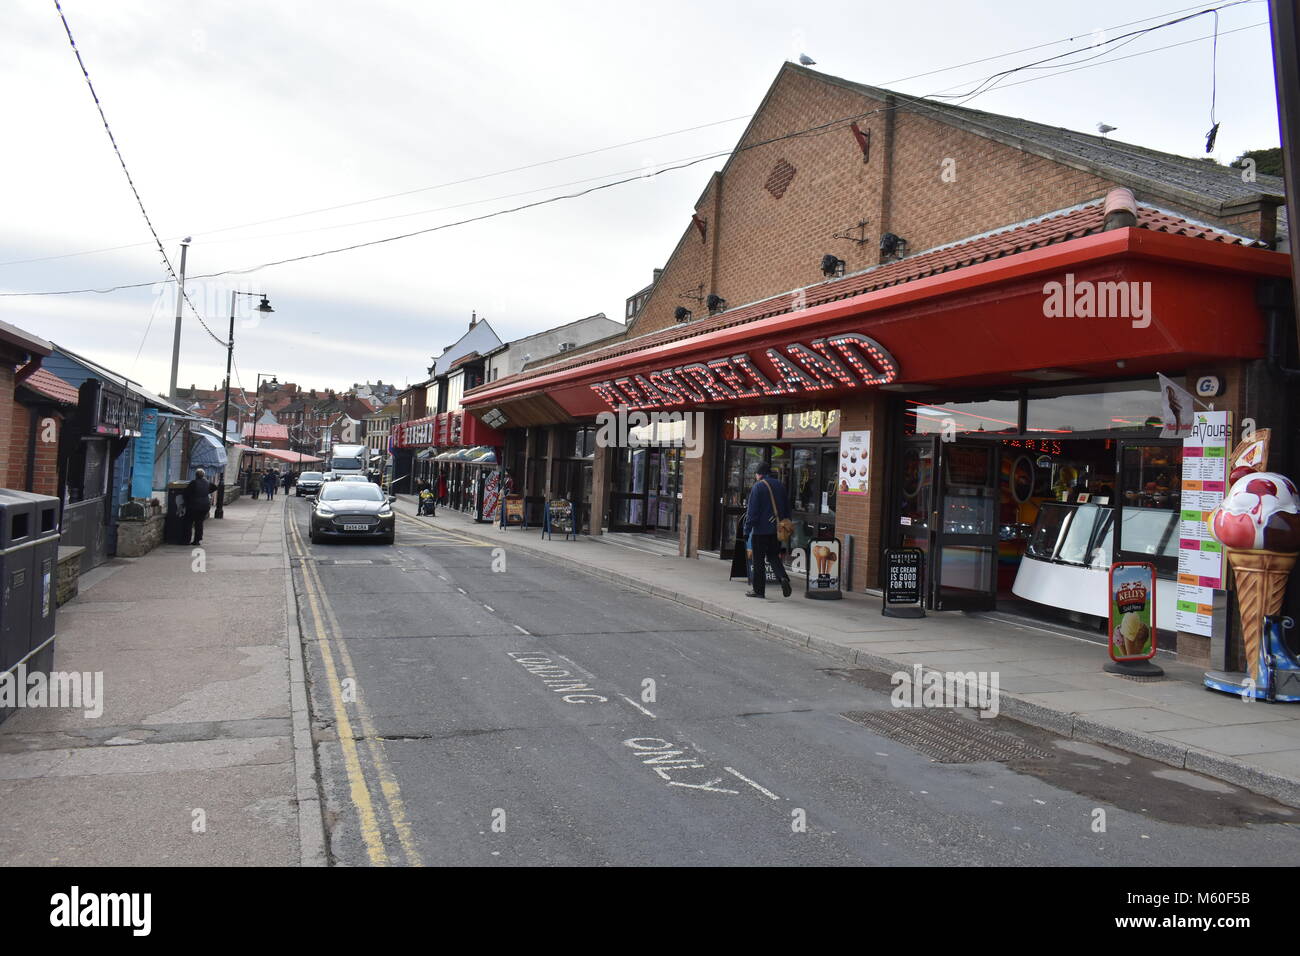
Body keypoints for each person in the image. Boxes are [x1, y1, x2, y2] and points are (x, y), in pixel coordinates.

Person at [743, 463, 792, 599]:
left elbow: (752, 513)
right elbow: (787, 507)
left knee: (758, 561)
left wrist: (747, 531)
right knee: (773, 556)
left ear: (759, 474)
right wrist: (786, 523)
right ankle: (783, 578)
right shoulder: (780, 485)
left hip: (760, 531)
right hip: (776, 530)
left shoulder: (758, 487)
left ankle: (758, 590)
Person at [183, 468, 216, 546]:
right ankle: (197, 540)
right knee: (199, 523)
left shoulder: (193, 483)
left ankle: (186, 540)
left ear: (196, 475)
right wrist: (207, 492)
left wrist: (186, 502)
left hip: (194, 506)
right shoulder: (208, 483)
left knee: (188, 522)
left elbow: (186, 493)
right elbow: (215, 487)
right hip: (205, 506)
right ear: (203, 475)